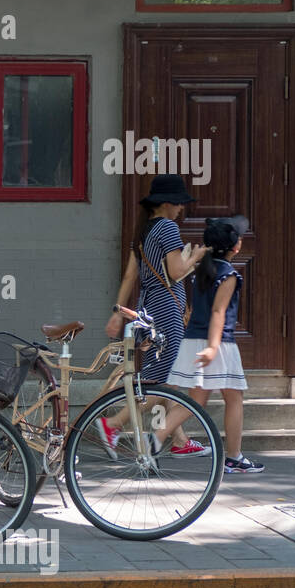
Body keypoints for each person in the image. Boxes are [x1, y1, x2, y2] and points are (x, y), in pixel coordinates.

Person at [102, 174, 211, 454]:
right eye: (179, 203)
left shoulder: (142, 231)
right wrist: (195, 258)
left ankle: (179, 440)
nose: (181, 209)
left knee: (160, 377)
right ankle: (113, 423)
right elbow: (175, 272)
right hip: (166, 308)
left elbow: (129, 275)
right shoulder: (168, 228)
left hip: (147, 307)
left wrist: (117, 311)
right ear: (166, 203)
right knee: (168, 380)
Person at [163, 217, 264, 474]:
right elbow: (218, 312)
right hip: (219, 344)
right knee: (234, 397)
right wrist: (213, 347)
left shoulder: (201, 271)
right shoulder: (228, 274)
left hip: (193, 338)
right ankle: (234, 457)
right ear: (236, 247)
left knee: (194, 401)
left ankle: (152, 441)